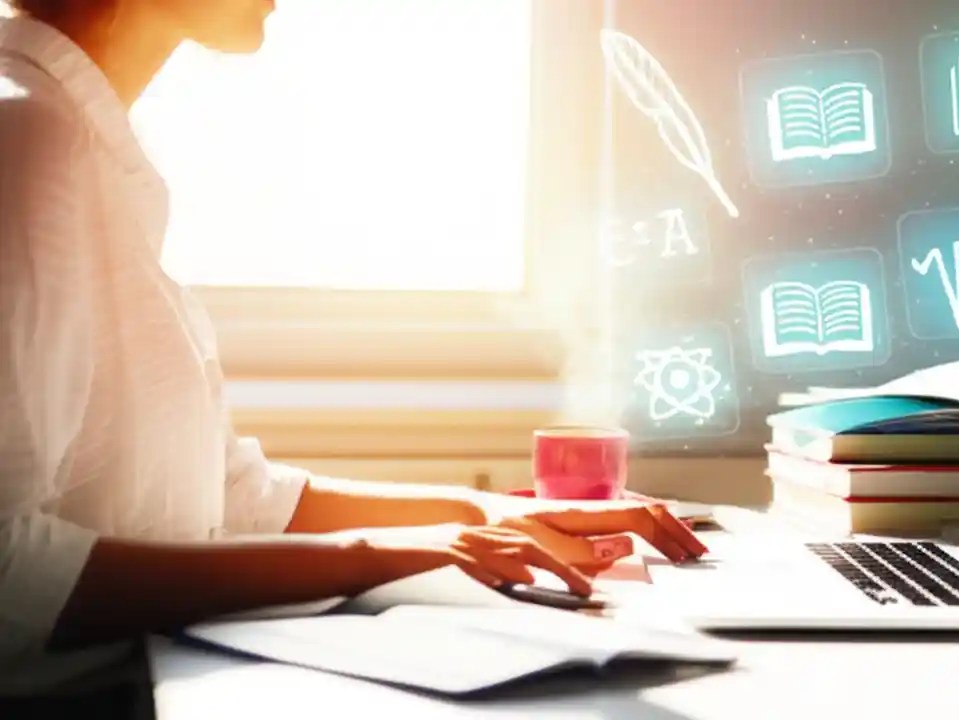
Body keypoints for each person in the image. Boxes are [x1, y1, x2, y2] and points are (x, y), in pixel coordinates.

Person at [0, 0, 707, 683]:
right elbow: (8, 570)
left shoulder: (87, 143)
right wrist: (373, 557)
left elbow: (229, 496)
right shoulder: (30, 139)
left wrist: (490, 516)